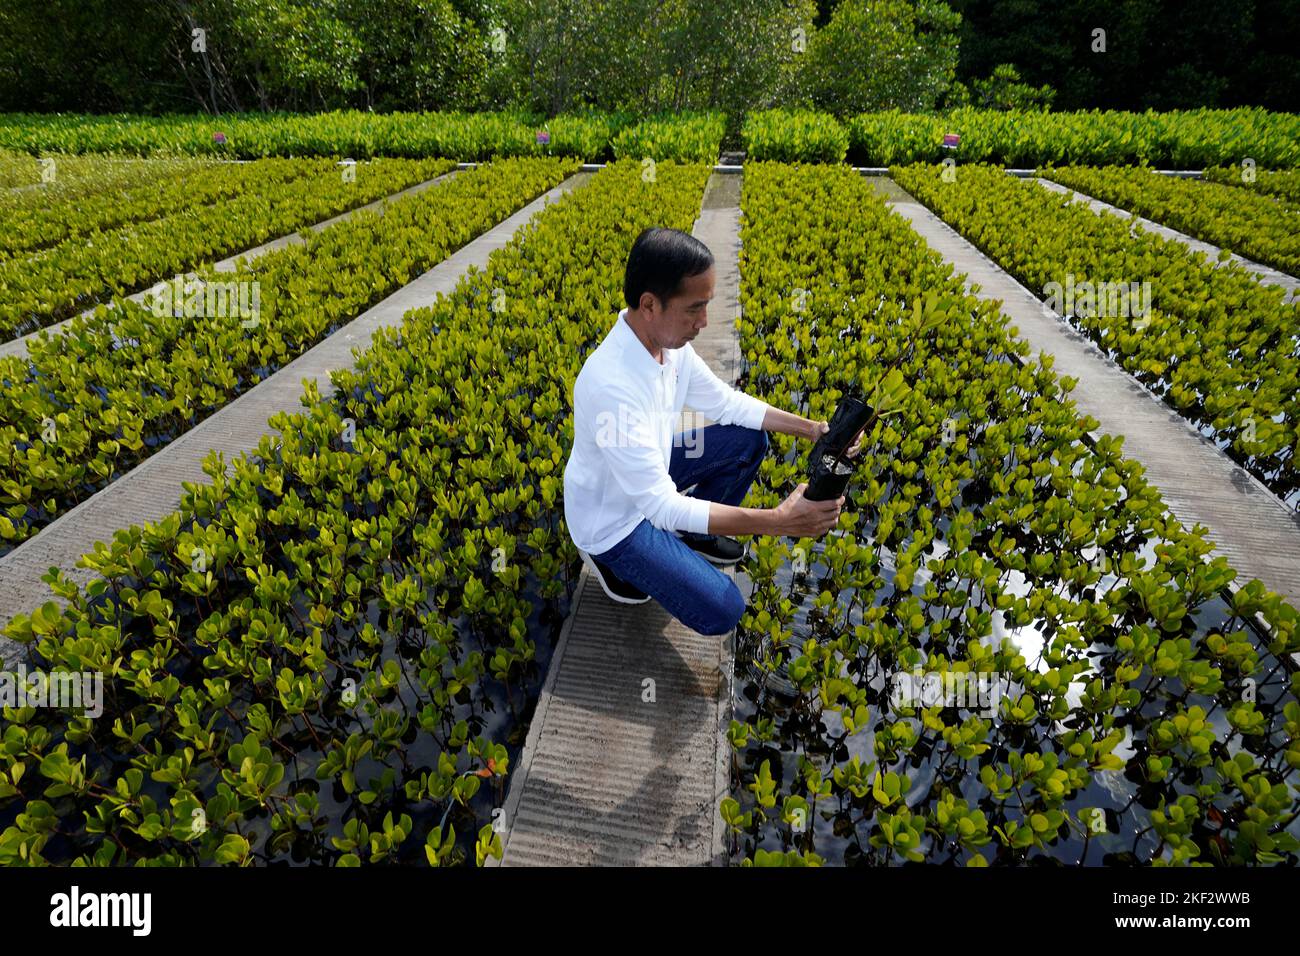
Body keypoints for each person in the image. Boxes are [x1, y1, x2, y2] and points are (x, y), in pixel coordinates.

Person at [561, 226, 862, 636]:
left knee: (749, 438)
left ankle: (690, 536)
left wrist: (813, 429)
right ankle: (616, 565)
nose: (704, 322)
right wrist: (777, 520)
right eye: (694, 308)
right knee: (723, 608)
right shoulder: (612, 386)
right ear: (650, 305)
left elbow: (726, 403)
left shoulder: (668, 346)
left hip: (651, 475)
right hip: (614, 521)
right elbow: (660, 506)